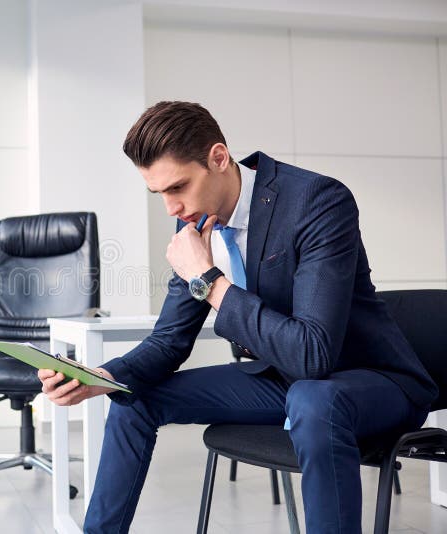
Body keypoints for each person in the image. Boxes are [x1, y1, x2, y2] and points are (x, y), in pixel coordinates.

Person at [38, 101, 438, 534]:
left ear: (218, 157)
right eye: (160, 195)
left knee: (313, 398)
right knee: (137, 396)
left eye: (178, 187)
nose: (172, 208)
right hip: (281, 379)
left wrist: (208, 280)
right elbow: (169, 341)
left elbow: (313, 355)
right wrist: (101, 376)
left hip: (371, 379)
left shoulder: (317, 202)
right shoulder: (192, 225)